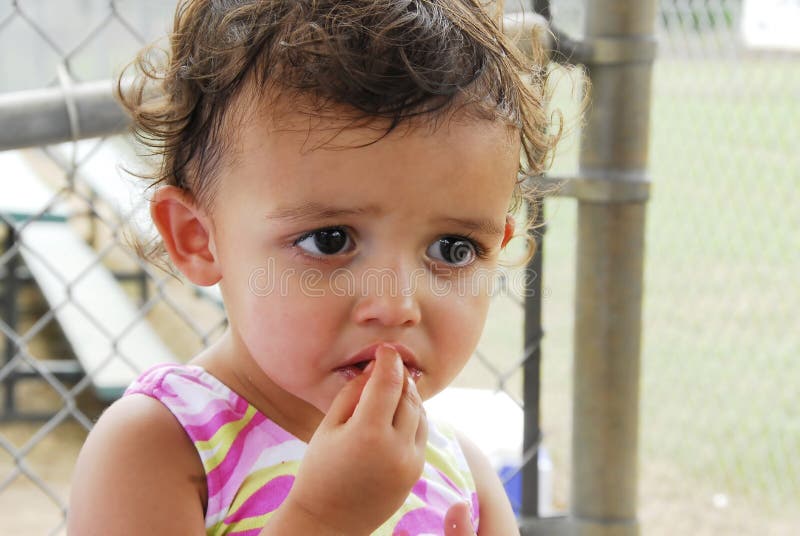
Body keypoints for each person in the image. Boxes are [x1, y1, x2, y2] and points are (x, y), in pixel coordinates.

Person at [68, 1, 556, 534]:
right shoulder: (159, 448)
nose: (396, 305)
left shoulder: (460, 472)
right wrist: (325, 519)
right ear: (199, 239)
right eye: (330, 240)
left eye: (453, 249)